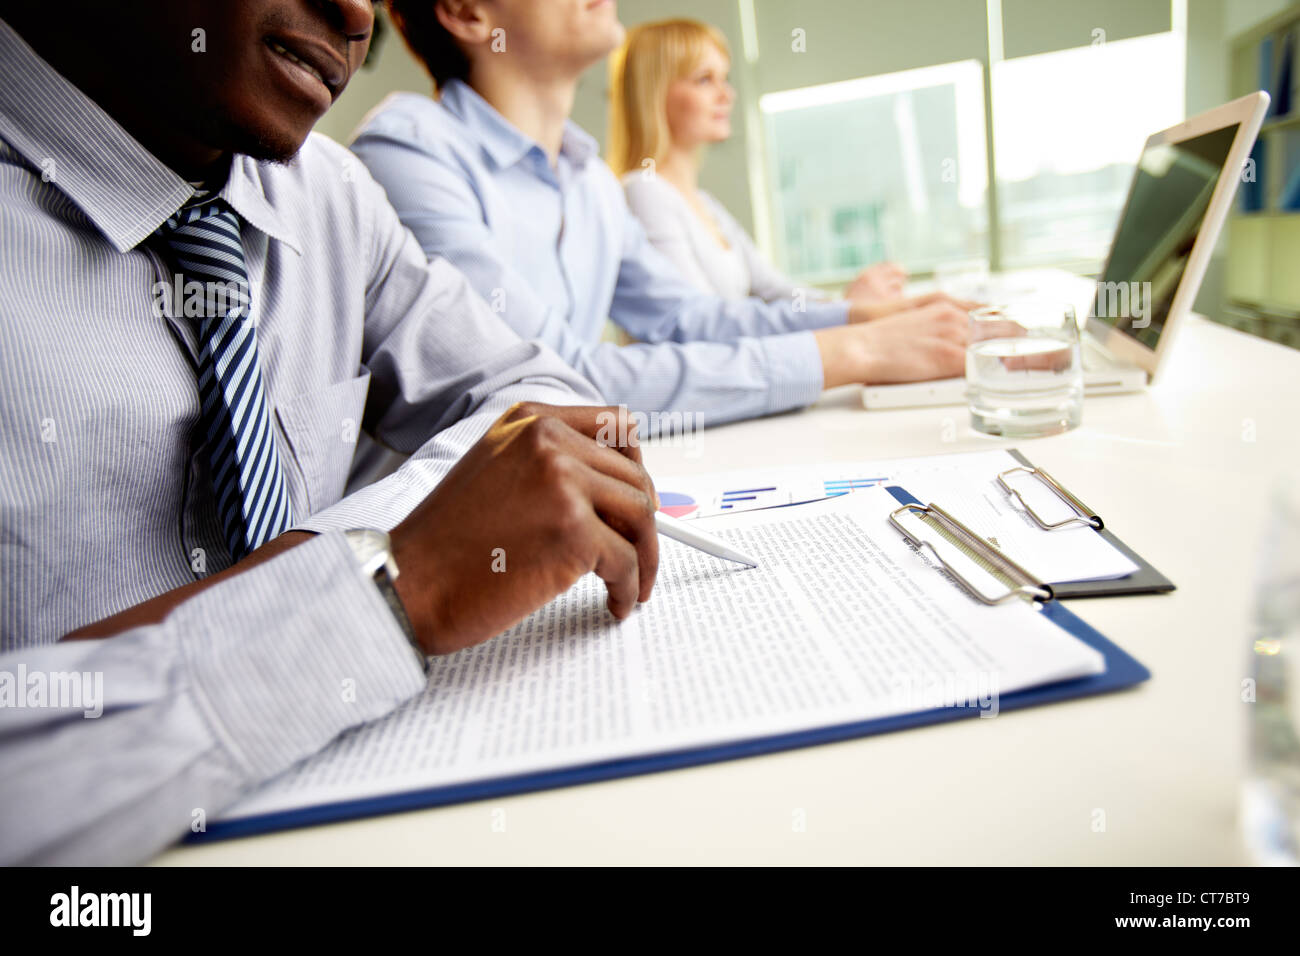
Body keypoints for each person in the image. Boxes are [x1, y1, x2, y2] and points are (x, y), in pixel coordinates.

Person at [0, 0, 661, 865]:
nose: (355, 12)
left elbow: (543, 397)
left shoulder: (328, 194)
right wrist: (384, 584)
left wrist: (365, 562)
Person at [351, 0, 972, 431]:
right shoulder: (410, 150)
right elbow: (555, 384)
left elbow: (687, 317)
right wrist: (853, 351)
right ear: (467, 12)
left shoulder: (590, 180)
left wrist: (863, 316)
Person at [609, 18, 905, 305]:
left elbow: (773, 288)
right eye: (704, 79)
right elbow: (703, 321)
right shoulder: (643, 190)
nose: (727, 94)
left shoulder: (704, 203)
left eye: (724, 78)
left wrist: (849, 306)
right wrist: (847, 310)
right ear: (654, 95)